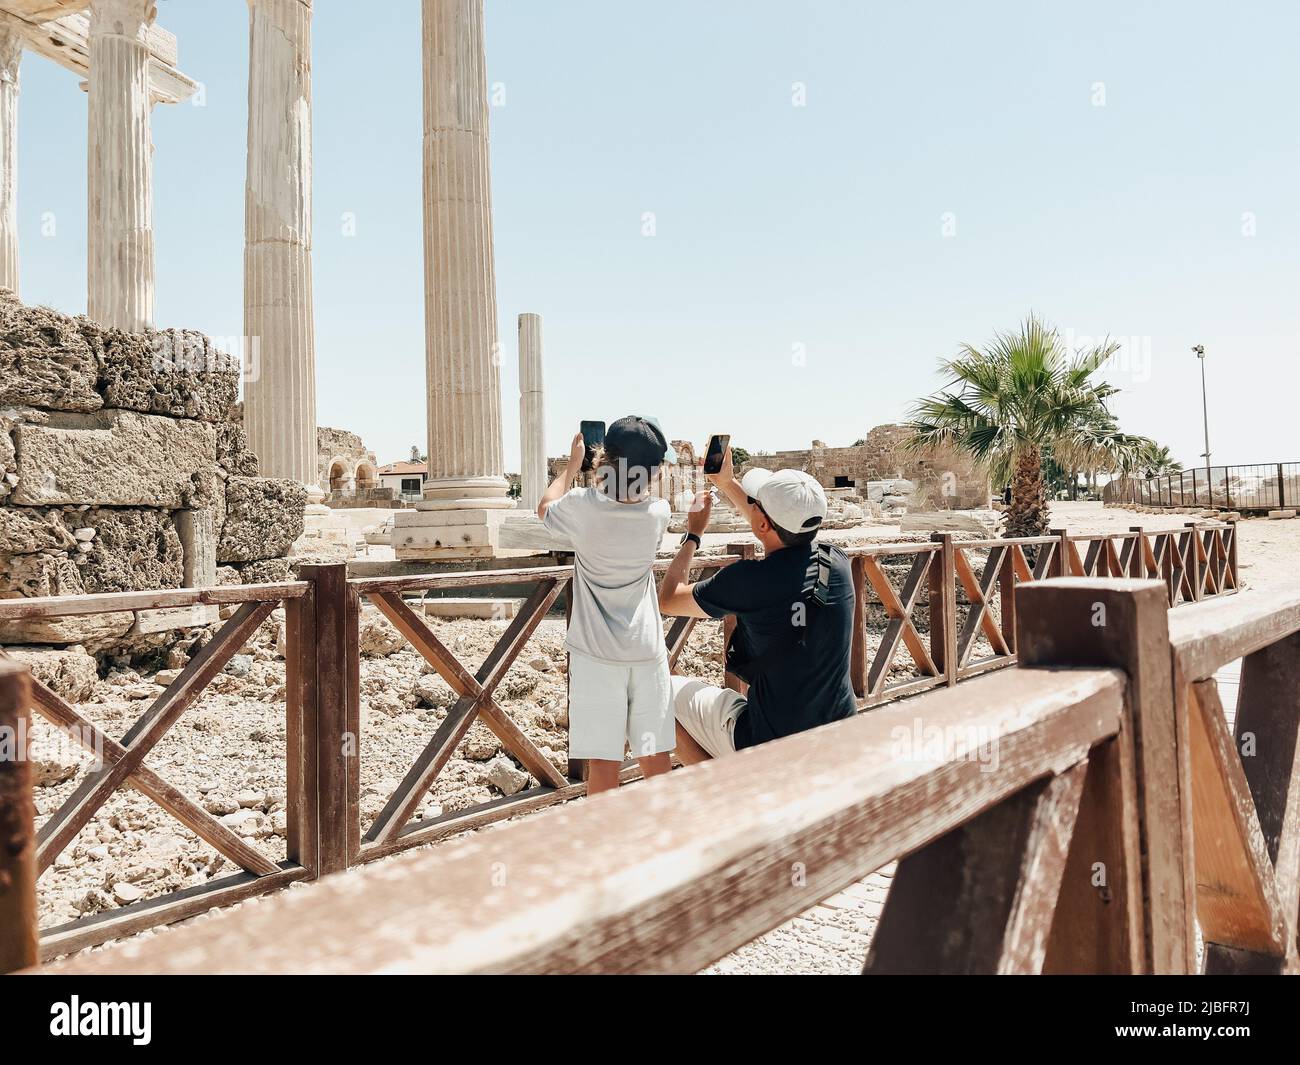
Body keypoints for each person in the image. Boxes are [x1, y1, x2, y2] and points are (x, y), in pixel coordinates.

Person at [657, 447, 856, 761]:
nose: (751, 506)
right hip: (837, 733)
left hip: (769, 742)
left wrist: (693, 534)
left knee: (654, 692)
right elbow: (772, 523)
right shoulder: (836, 563)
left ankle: (722, 787)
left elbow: (669, 598)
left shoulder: (748, 581)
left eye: (756, 504)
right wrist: (727, 482)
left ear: (763, 524)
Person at [537, 416, 674, 794]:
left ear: (603, 458)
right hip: (646, 649)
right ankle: (669, 842)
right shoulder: (659, 513)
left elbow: (545, 507)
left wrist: (569, 468)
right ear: (652, 472)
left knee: (603, 763)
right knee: (655, 757)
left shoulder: (582, 507)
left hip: (596, 652)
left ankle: (606, 849)